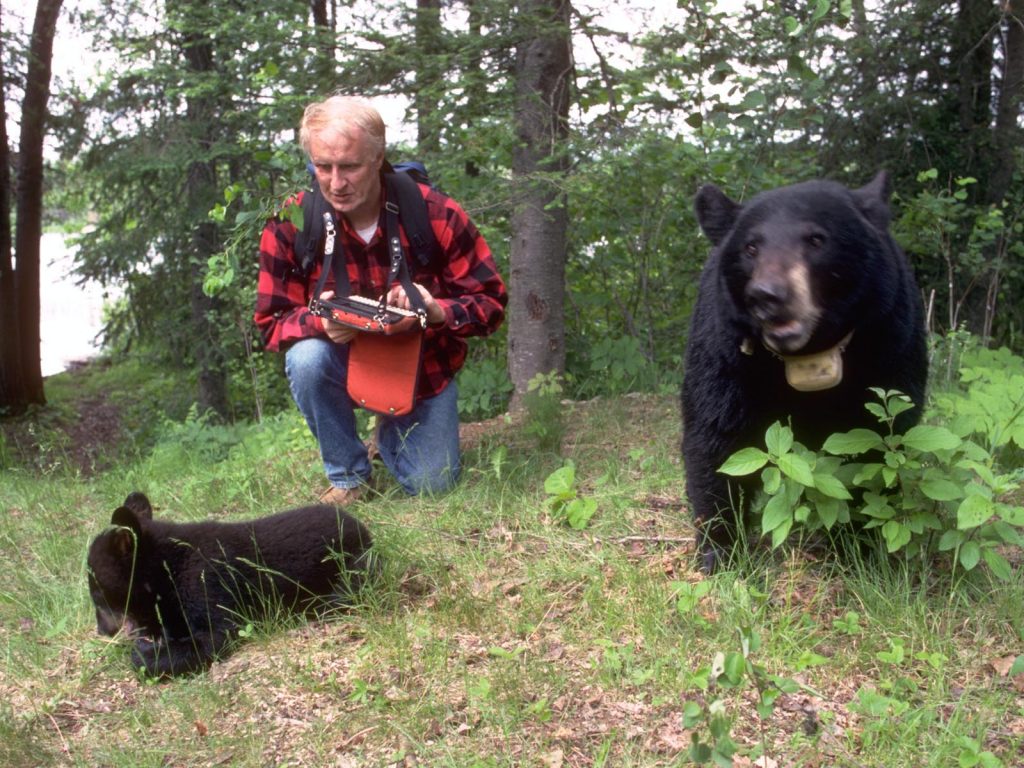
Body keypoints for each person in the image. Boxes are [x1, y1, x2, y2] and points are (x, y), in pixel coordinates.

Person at [254, 95, 507, 505]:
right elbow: (271, 321)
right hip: (342, 360)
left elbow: (491, 302)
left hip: (421, 369)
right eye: (323, 166)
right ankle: (349, 476)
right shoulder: (293, 223)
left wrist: (439, 310)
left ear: (377, 158)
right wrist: (321, 322)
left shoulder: (434, 213)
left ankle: (391, 429)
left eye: (350, 166)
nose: (336, 183)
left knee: (431, 486)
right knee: (306, 359)